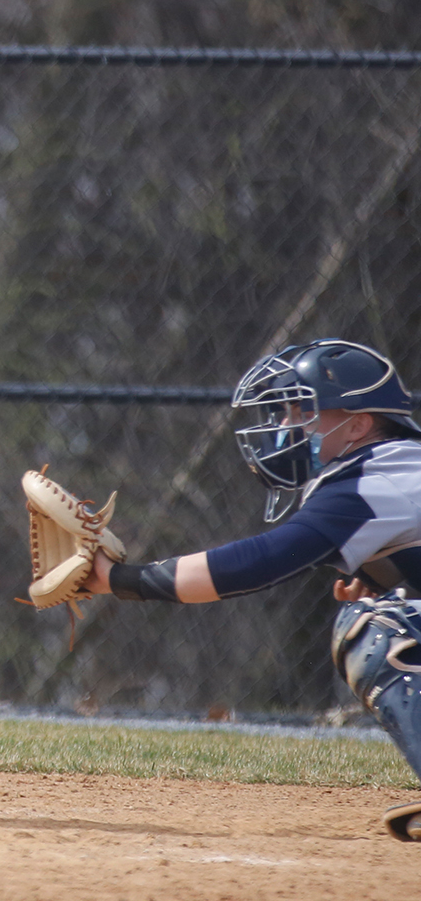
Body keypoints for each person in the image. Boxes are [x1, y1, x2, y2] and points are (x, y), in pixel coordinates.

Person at [80, 338, 421, 840]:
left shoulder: (372, 478)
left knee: (378, 629)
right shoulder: (394, 468)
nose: (286, 426)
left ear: (359, 423)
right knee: (391, 611)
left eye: (303, 411)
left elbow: (258, 564)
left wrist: (118, 579)